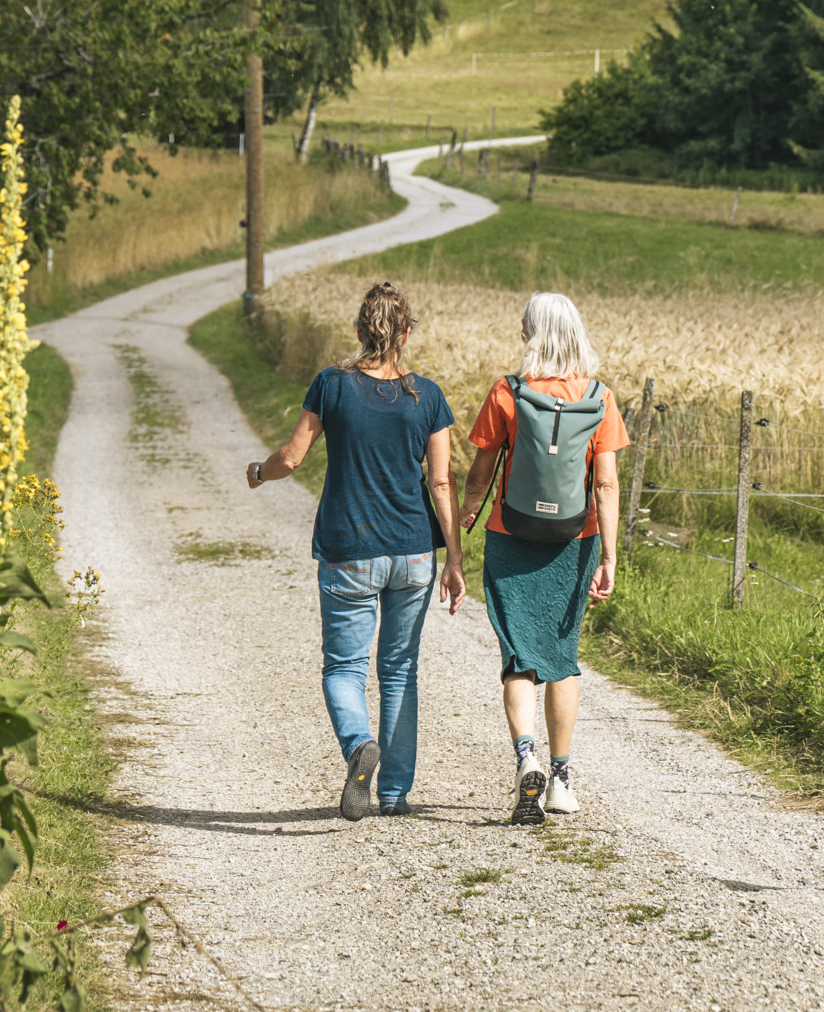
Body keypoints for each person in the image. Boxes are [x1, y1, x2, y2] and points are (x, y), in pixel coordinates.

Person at [247, 281, 466, 819]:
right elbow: (441, 485)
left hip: (349, 548)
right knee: (399, 670)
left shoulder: (331, 385)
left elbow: (292, 458)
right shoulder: (429, 397)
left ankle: (356, 748)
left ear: (360, 330)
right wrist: (456, 560)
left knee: (344, 669)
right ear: (406, 333)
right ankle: (393, 793)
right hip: (414, 552)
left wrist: (258, 473)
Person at [457, 291, 627, 826]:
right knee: (562, 656)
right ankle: (561, 779)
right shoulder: (600, 398)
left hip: (511, 535)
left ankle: (524, 755)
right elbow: (605, 484)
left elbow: (481, 474)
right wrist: (609, 557)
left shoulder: (507, 392)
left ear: (532, 333)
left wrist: (460, 525)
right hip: (574, 542)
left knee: (519, 656)